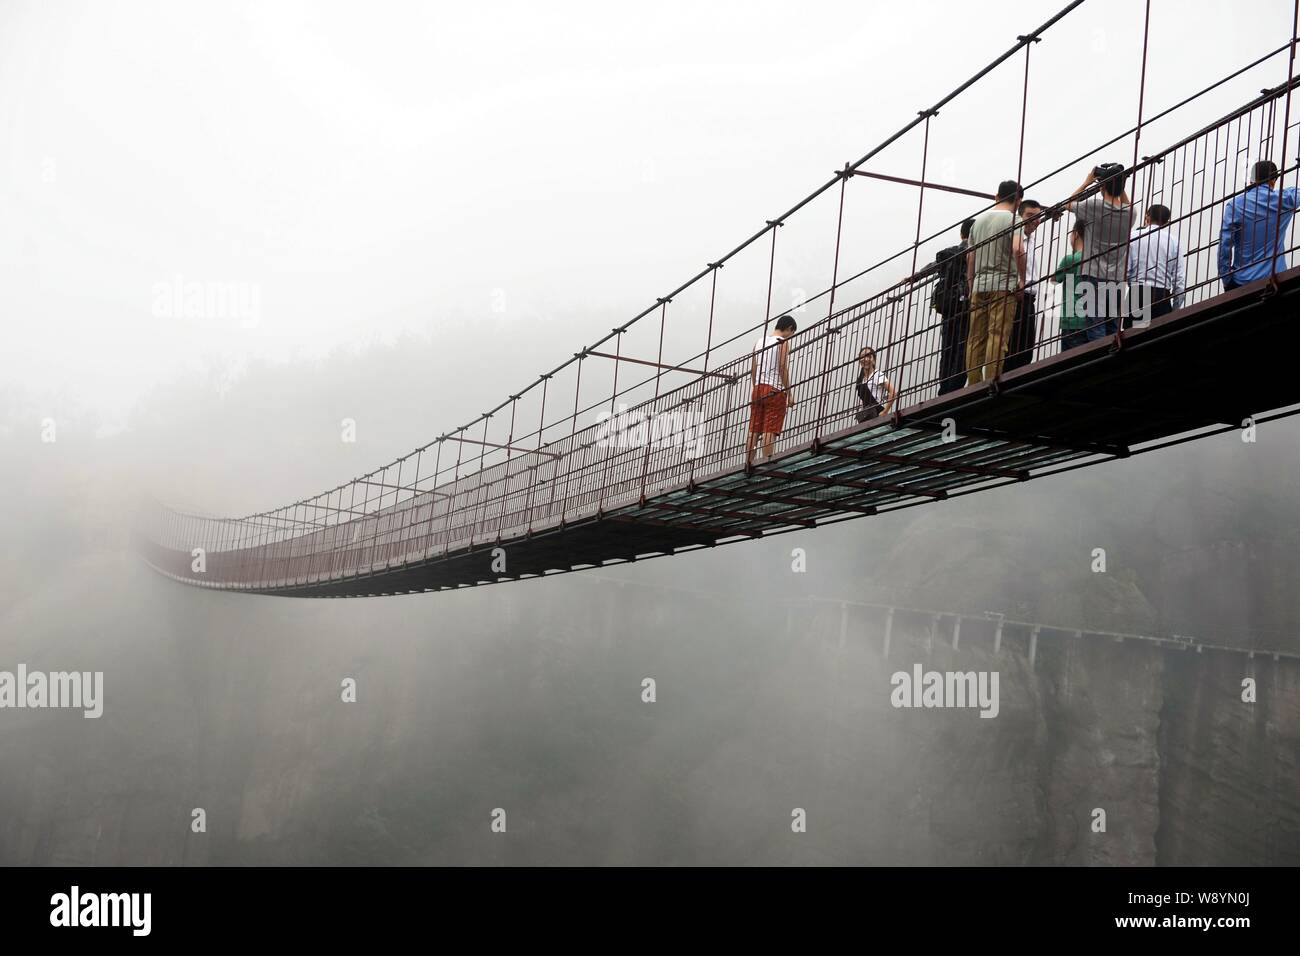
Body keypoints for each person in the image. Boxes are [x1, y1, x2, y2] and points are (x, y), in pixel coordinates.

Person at [965, 180, 1026, 385]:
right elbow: (1018, 249)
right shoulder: (1014, 219)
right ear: (1018, 200)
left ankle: (974, 383)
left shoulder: (977, 222)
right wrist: (1022, 280)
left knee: (975, 339)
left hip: (979, 286)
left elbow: (970, 257)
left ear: (996, 196)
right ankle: (992, 382)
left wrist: (972, 282)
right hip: (1003, 286)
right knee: (997, 336)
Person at [1066, 162, 1135, 340]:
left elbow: (1068, 204)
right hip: (1117, 277)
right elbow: (1127, 204)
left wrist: (1087, 182)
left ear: (1102, 186)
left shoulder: (1094, 207)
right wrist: (1120, 181)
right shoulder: (1131, 213)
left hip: (1093, 275)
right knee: (1112, 325)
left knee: (1095, 325)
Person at [1219, 159, 1300, 290]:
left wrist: (1227, 279)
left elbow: (1225, 245)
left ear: (1252, 180)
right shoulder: (1285, 200)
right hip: (1276, 278)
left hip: (1242, 282)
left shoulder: (1235, 206)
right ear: (1273, 180)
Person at [931, 218, 975, 394]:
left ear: (961, 234)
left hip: (947, 305)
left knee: (947, 346)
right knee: (963, 344)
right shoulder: (975, 251)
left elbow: (933, 266)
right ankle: (955, 385)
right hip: (965, 304)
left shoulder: (948, 253)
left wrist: (916, 276)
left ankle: (944, 386)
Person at [747, 314, 797, 463]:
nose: (790, 337)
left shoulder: (759, 342)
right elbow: (782, 367)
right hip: (774, 390)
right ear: (789, 328)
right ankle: (767, 462)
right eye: (792, 334)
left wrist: (757, 387)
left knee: (754, 429)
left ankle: (748, 463)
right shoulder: (782, 342)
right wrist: (789, 393)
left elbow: (753, 370)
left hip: (757, 389)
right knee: (770, 428)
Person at [1126, 203, 1185, 324]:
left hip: (1138, 293)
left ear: (1147, 217)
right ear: (1166, 222)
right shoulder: (1174, 242)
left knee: (1135, 339)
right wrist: (1175, 309)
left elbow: (1125, 270)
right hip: (1162, 296)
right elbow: (1179, 280)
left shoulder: (1133, 236)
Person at [1005, 199, 1045, 371]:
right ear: (1019, 217)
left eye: (1037, 217)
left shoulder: (1032, 238)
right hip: (1016, 294)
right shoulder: (1014, 237)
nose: (1034, 221)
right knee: (1012, 345)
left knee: (1027, 347)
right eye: (1029, 216)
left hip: (1030, 297)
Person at [1052, 221, 1089, 351]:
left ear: (1076, 234)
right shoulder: (1097, 259)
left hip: (1072, 321)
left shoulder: (1070, 259)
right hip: (1092, 322)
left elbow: (1054, 280)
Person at [854, 346, 896, 422]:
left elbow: (893, 392)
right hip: (867, 416)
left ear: (873, 360)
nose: (865, 359)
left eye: (869, 356)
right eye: (863, 357)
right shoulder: (861, 380)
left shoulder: (877, 375)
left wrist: (885, 411)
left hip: (876, 414)